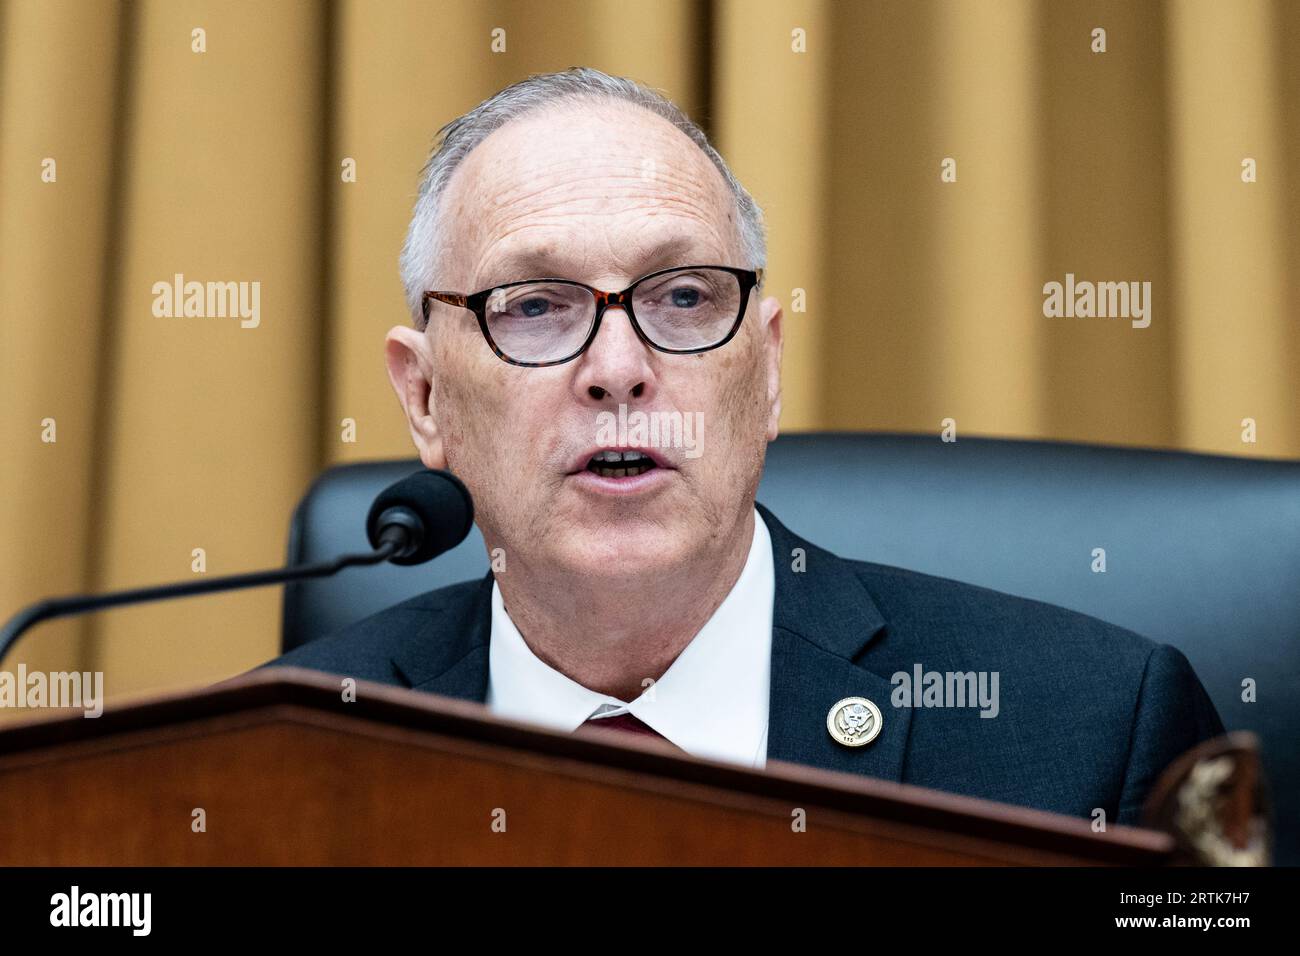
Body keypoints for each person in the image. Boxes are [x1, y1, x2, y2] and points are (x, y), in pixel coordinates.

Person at [265, 67, 1223, 826]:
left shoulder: (1095, 731)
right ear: (426, 397)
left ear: (765, 373)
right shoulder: (273, 752)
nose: (617, 369)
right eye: (537, 307)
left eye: (682, 296)